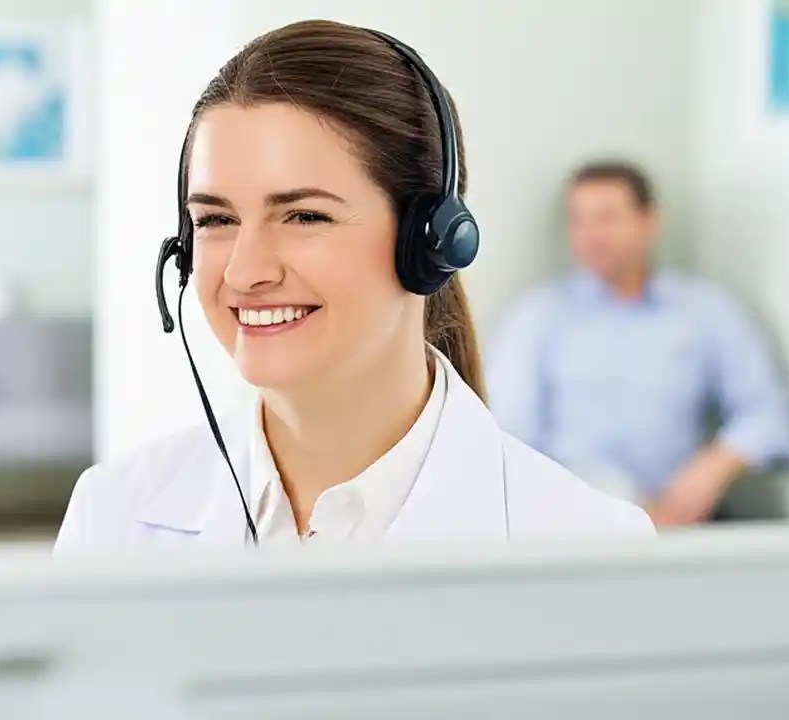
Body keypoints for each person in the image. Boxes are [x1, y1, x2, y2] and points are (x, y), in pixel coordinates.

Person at [55, 21, 652, 551]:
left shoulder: (591, 545)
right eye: (215, 220)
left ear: (430, 242)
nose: (244, 271)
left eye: (304, 216)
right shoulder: (111, 517)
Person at [485, 161, 789, 527]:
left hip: (678, 527)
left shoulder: (705, 313)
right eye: (579, 220)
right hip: (567, 528)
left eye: (606, 218)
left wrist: (713, 467)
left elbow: (770, 414)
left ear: (649, 221)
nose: (591, 235)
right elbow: (507, 439)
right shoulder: (535, 318)